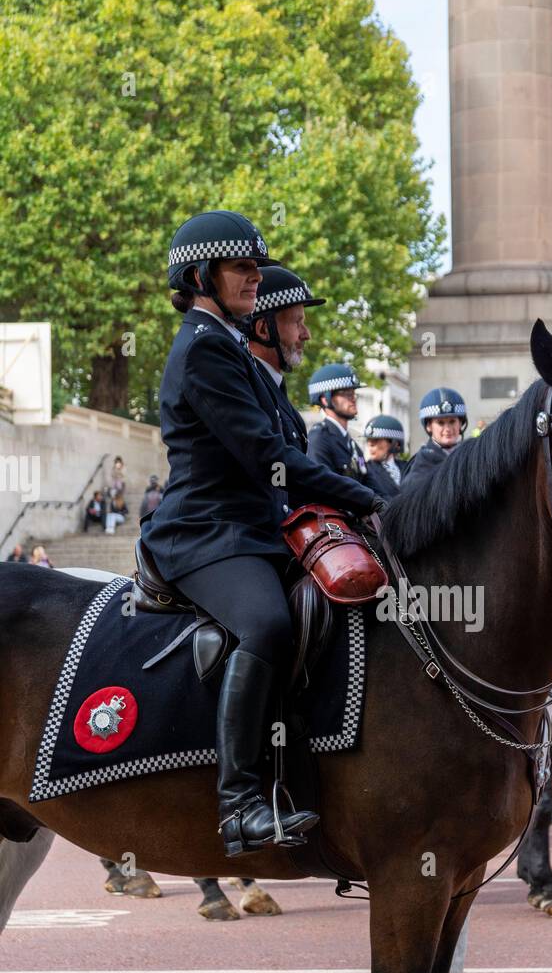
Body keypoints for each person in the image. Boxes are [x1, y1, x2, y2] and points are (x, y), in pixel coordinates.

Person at [142, 210, 382, 857]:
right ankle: (239, 802)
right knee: (268, 624)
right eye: (242, 267)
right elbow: (266, 457)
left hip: (253, 529)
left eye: (255, 266)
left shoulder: (228, 347)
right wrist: (366, 497)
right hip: (206, 534)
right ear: (200, 276)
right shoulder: (202, 350)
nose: (255, 277)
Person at [246, 264, 321, 458]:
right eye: (297, 322)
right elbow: (277, 470)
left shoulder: (271, 386)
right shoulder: (249, 390)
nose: (306, 334)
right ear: (263, 329)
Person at [306, 364, 371, 483]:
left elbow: (371, 484)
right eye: (346, 394)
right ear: (325, 399)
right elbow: (324, 485)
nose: (353, 398)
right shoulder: (319, 439)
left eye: (353, 393)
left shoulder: (353, 446)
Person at [402, 387, 468, 489]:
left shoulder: (468, 454)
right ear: (429, 426)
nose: (448, 429)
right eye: (440, 423)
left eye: (452, 421)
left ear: (460, 423)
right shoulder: (421, 463)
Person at [364, 416, 408, 497]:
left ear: (396, 443)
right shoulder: (365, 470)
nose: (370, 444)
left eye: (376, 440)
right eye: (368, 440)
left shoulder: (409, 467)